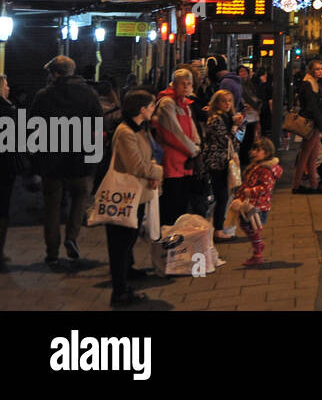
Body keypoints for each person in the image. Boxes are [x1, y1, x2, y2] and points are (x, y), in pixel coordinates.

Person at [29, 55, 102, 268]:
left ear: (55, 73)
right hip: (80, 161)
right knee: (79, 201)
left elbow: (33, 128)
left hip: (51, 162)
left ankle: (52, 252)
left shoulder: (43, 95)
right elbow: (98, 126)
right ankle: (72, 236)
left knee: (51, 208)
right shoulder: (89, 94)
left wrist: (36, 159)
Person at [104, 88, 163, 307]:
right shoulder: (126, 132)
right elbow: (136, 165)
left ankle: (127, 273)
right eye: (151, 106)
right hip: (124, 195)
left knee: (128, 239)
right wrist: (157, 172)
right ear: (141, 109)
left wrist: (152, 170)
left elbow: (147, 157)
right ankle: (119, 291)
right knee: (120, 242)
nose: (153, 109)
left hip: (136, 193)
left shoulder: (139, 129)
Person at [155, 68, 202, 226]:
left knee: (182, 202)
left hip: (185, 161)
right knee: (172, 203)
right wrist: (193, 149)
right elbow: (173, 132)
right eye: (183, 84)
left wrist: (196, 144)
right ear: (174, 84)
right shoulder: (167, 103)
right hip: (172, 161)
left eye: (189, 84)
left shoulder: (185, 104)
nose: (187, 87)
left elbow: (191, 127)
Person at [230, 136, 282, 267]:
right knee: (246, 226)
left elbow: (266, 187)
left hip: (258, 206)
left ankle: (257, 253)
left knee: (251, 227)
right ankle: (258, 245)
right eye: (254, 150)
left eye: (258, 150)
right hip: (251, 204)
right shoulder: (256, 166)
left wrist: (250, 191)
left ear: (267, 152)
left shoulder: (265, 170)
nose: (254, 153)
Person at [200, 90, 239, 238]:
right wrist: (236, 127)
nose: (227, 104)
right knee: (221, 195)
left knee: (224, 195)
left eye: (229, 101)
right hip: (217, 162)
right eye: (224, 101)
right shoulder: (216, 119)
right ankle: (218, 229)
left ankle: (219, 227)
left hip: (224, 160)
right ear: (217, 102)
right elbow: (226, 139)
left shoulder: (227, 117)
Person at [292, 60, 322, 194]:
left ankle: (314, 184)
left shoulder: (315, 83)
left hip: (314, 125)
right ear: (311, 70)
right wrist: (321, 125)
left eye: (321, 69)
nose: (320, 71)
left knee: (312, 157)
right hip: (311, 125)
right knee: (305, 156)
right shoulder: (308, 84)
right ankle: (296, 185)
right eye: (317, 69)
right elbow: (312, 107)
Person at [0, 75, 16, 270]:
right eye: (5, 84)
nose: (8, 87)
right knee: (2, 209)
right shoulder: (7, 110)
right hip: (4, 167)